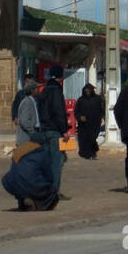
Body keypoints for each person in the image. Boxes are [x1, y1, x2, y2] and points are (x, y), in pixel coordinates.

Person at [36, 65, 70, 200]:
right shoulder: (56, 91)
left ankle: (45, 189)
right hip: (54, 131)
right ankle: (53, 192)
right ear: (60, 77)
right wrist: (64, 130)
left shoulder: (43, 91)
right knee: (57, 161)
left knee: (47, 162)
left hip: (44, 130)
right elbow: (58, 111)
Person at [75, 83, 103, 160]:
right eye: (86, 91)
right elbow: (76, 111)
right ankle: (89, 154)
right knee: (85, 139)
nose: (87, 93)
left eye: (88, 91)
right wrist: (80, 117)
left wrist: (100, 118)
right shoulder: (80, 100)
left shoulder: (97, 99)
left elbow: (101, 110)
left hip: (95, 123)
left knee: (92, 138)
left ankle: (93, 151)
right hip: (83, 124)